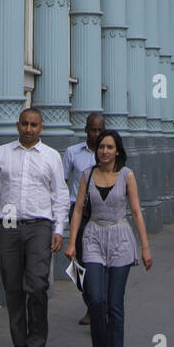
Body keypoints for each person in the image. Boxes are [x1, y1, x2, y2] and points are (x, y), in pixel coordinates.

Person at [0, 106, 69, 347]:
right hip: (8, 227)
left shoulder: (51, 157)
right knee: (13, 288)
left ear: (41, 128)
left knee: (37, 285)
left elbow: (59, 195)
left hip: (39, 226)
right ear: (18, 125)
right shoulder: (2, 153)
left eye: (34, 125)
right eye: (25, 124)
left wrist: (58, 229)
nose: (29, 129)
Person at [65, 129, 152, 347]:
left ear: (117, 151)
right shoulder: (87, 175)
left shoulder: (127, 175)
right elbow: (79, 211)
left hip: (120, 239)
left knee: (114, 304)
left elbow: (136, 212)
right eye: (102, 146)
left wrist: (145, 247)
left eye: (110, 147)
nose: (105, 151)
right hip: (93, 237)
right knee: (95, 298)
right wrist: (72, 243)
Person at [63, 112, 105, 324]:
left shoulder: (108, 153)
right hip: (77, 209)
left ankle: (98, 304)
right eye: (92, 129)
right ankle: (89, 302)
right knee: (80, 259)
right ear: (86, 130)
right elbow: (62, 182)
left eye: (99, 130)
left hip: (101, 211)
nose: (96, 134)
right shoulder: (72, 153)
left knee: (99, 257)